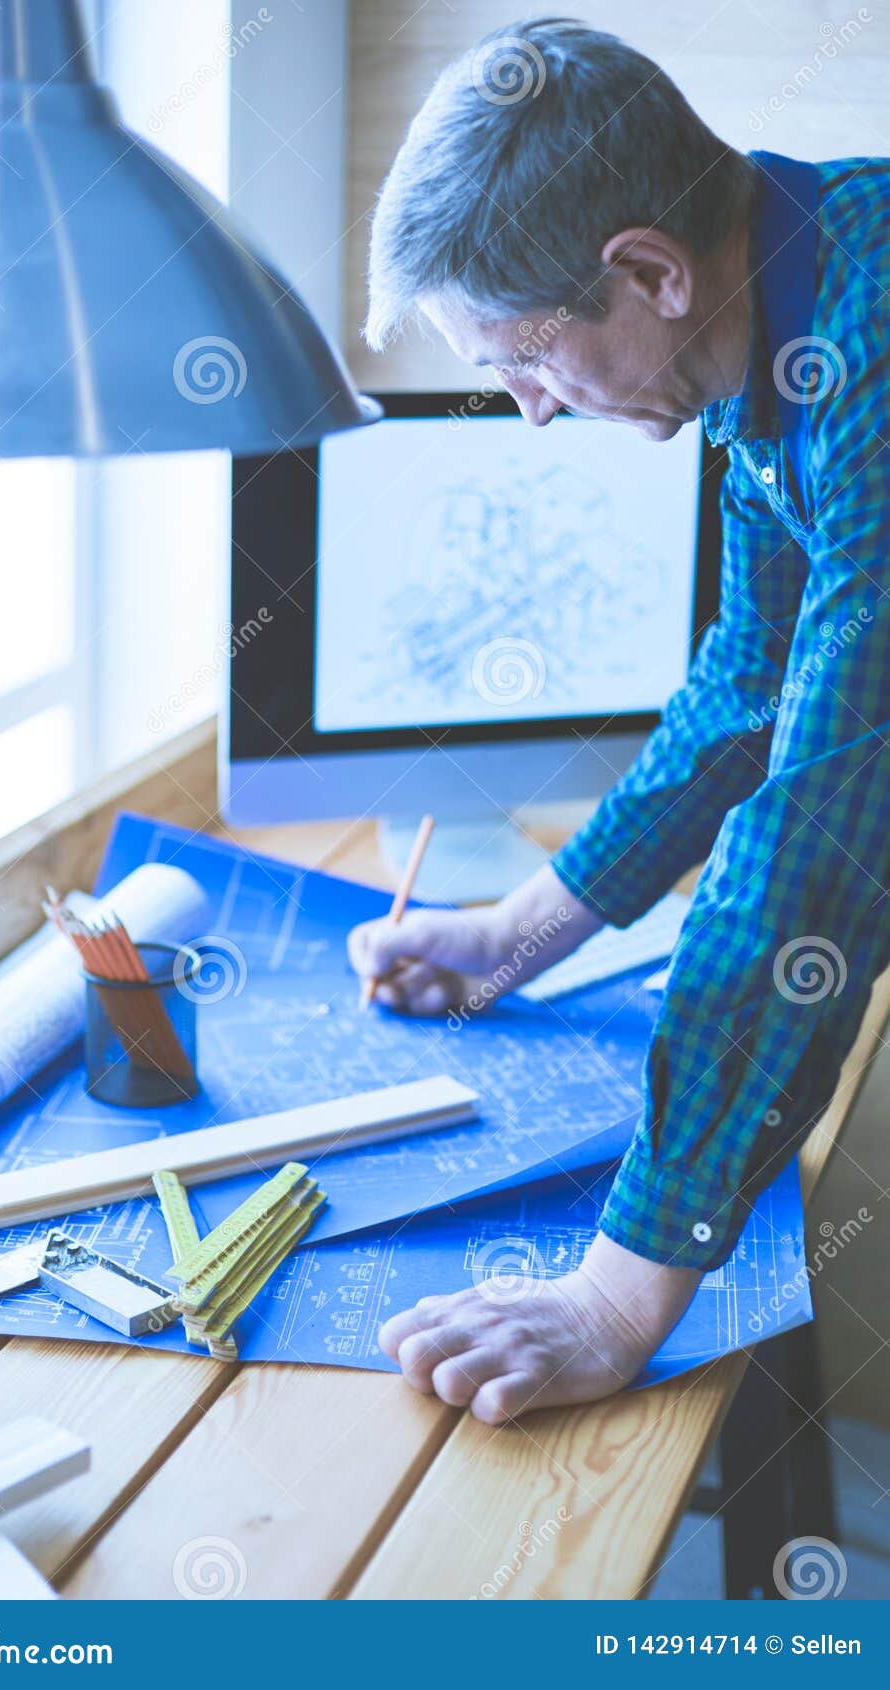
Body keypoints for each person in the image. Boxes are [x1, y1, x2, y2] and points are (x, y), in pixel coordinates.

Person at [347, 18, 888, 1424]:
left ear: (648, 272)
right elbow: (747, 689)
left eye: (527, 361)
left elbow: (815, 838)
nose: (528, 413)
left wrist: (612, 1292)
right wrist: (514, 934)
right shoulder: (775, 321)